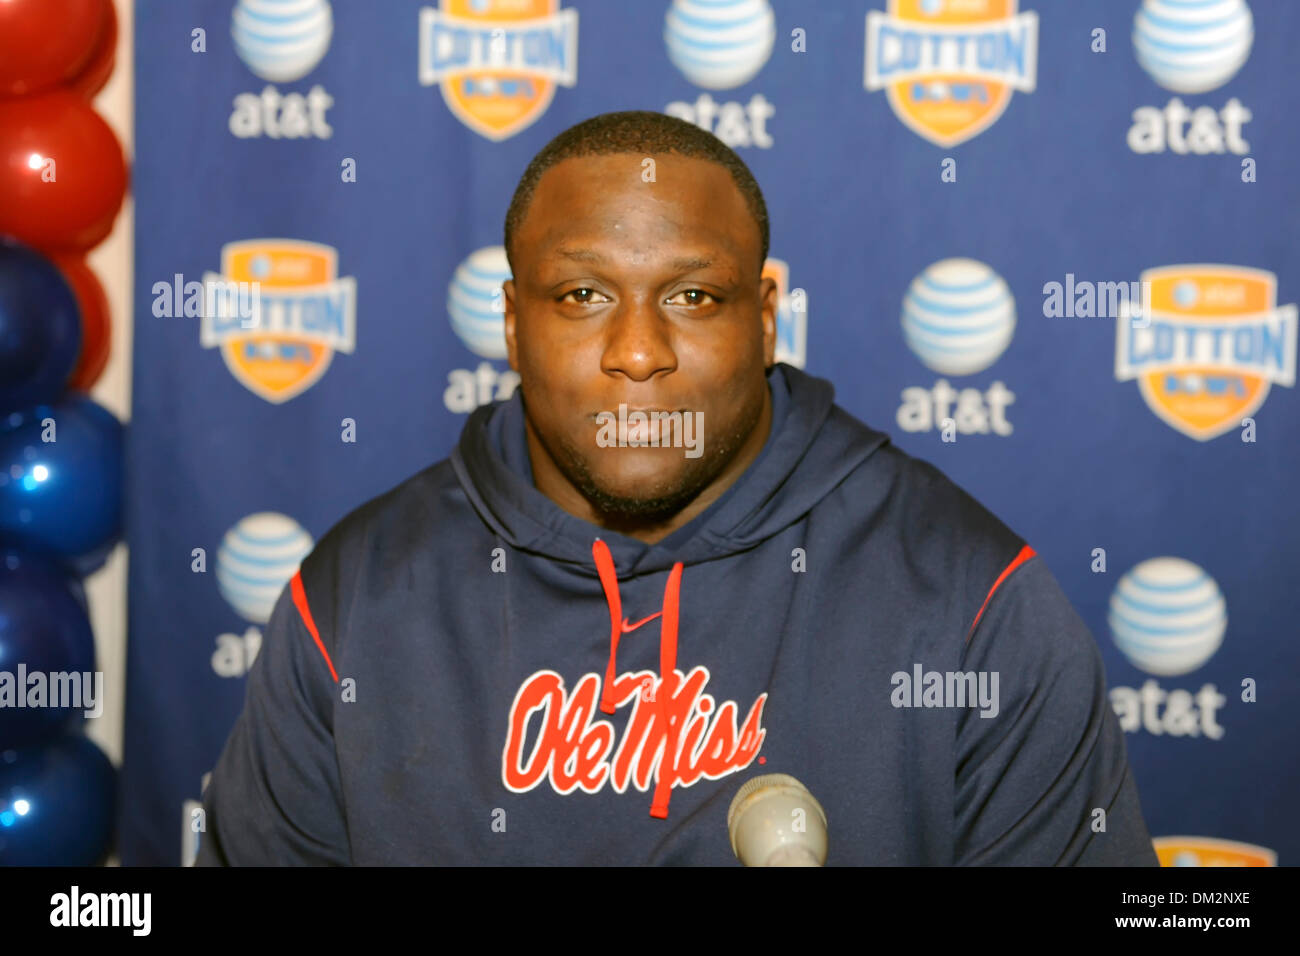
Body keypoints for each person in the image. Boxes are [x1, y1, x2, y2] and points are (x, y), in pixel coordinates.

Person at [197, 110, 1158, 866]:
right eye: (582, 296)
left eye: (694, 296)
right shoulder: (356, 595)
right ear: (513, 324)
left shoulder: (968, 597)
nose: (640, 353)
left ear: (768, 318)